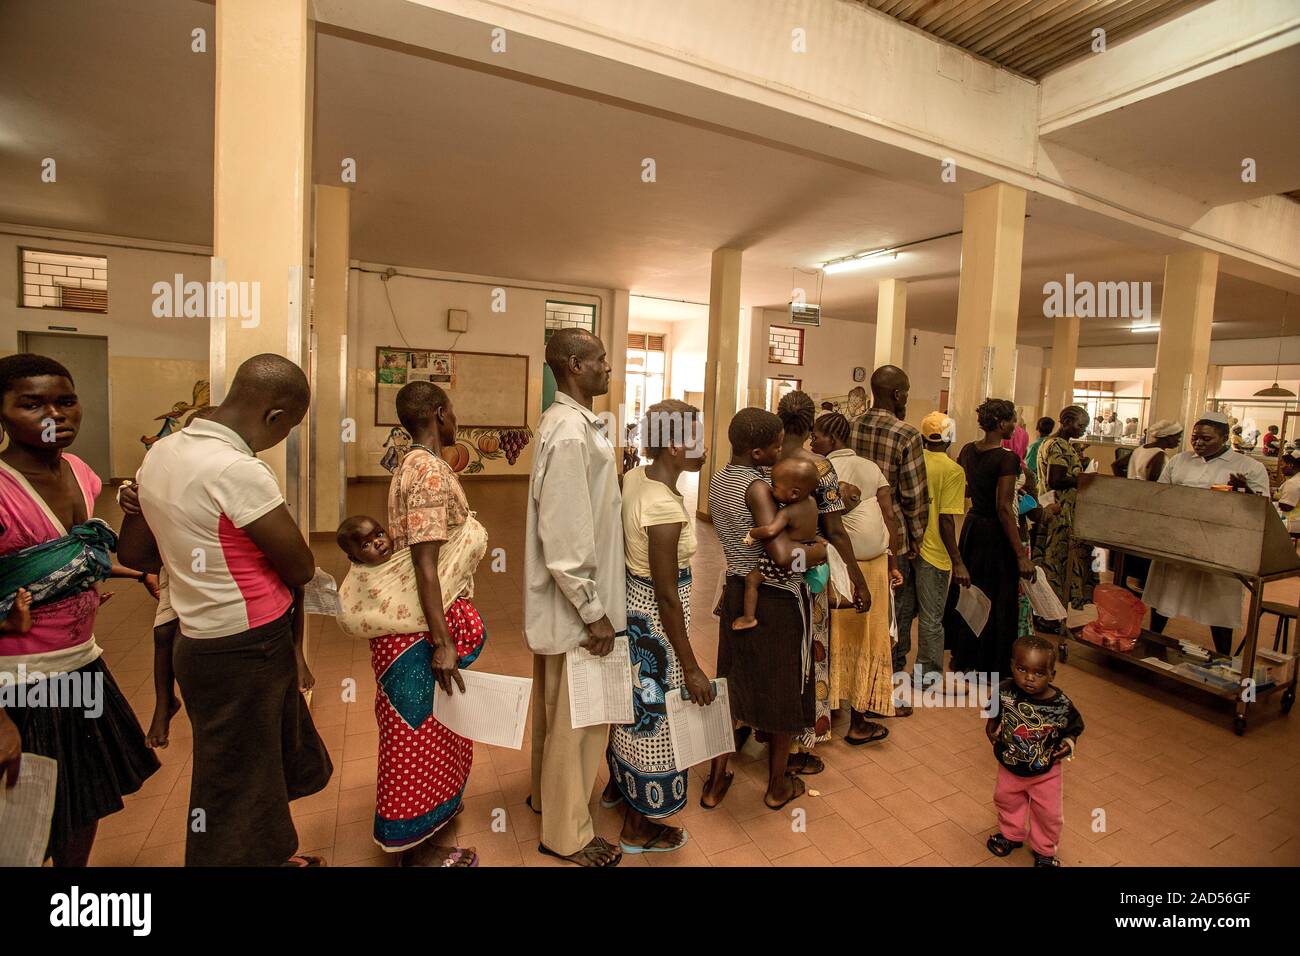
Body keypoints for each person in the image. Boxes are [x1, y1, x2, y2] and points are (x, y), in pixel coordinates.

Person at [119, 353, 332, 867]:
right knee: (233, 786)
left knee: (257, 767)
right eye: (290, 428)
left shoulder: (163, 453)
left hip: (202, 641)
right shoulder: (237, 470)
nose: (282, 439)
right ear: (276, 416)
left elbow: (137, 556)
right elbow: (300, 565)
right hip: (247, 645)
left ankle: (273, 857)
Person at [0, 353, 160, 866]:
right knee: (20, 818)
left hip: (78, 663)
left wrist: (136, 572)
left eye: (65, 401)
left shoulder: (80, 472)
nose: (55, 416)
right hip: (15, 681)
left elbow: (71, 559)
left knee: (81, 800)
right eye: (33, 404)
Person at [524, 328, 626, 867]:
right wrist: (595, 612)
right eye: (600, 359)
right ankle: (567, 835)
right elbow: (564, 538)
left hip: (573, 605)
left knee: (556, 709)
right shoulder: (569, 431)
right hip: (582, 608)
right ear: (573, 364)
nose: (608, 367)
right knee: (579, 721)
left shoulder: (575, 424)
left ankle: (547, 800)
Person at [377, 379, 489, 864]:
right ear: (440, 414)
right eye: (453, 410)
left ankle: (435, 813)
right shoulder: (429, 473)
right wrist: (441, 642)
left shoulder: (413, 464)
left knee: (437, 731)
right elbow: (426, 564)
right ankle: (416, 852)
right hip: (420, 630)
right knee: (416, 738)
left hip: (425, 620)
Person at [703, 407, 828, 810]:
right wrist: (817, 555)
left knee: (732, 683)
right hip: (774, 596)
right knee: (782, 688)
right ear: (758, 452)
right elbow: (778, 552)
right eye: (776, 445)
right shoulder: (758, 487)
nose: (782, 450)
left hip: (738, 589)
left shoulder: (719, 479)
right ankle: (776, 785)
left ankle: (715, 780)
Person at [606, 399, 711, 854]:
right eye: (696, 437)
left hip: (635, 613)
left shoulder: (634, 478)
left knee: (633, 710)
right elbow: (668, 594)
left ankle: (619, 788)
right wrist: (689, 666)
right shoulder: (664, 508)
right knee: (656, 718)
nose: (705, 447)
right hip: (657, 626)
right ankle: (638, 826)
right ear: (673, 444)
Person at [776, 390, 866, 749]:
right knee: (812, 652)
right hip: (808, 572)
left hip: (768, 567)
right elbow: (836, 530)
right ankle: (804, 735)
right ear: (812, 424)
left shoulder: (764, 459)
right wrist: (858, 580)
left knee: (776, 651)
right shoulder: (821, 467)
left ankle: (767, 728)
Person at [1143, 411, 1271, 656]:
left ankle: (1223, 655)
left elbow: (1262, 510)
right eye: (1195, 438)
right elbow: (1159, 495)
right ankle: (1154, 643)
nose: (1198, 443)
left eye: (1206, 439)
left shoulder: (1249, 467)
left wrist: (1244, 491)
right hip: (1178, 539)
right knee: (1166, 592)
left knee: (1219, 601)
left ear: (1224, 438)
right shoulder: (1180, 461)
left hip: (1219, 544)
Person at [812, 412, 897, 743]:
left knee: (834, 635)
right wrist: (894, 557)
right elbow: (888, 512)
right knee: (867, 638)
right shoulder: (871, 467)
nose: (812, 441)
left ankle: (832, 708)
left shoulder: (822, 468)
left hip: (840, 565)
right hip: (872, 564)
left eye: (817, 436)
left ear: (832, 440)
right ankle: (858, 713)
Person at [849, 365, 927, 711]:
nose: (907, 398)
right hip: (889, 540)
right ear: (897, 395)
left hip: (849, 535)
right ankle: (887, 694)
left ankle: (852, 691)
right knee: (894, 617)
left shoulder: (851, 428)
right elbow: (913, 496)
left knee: (856, 614)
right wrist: (918, 541)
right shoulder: (907, 434)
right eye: (906, 391)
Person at [948, 399, 1035, 677]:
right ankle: (992, 662)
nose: (1015, 426)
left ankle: (966, 655)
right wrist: (1020, 553)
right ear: (1001, 424)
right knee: (999, 595)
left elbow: (967, 489)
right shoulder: (1006, 458)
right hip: (995, 533)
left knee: (973, 593)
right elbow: (1003, 507)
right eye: (1012, 421)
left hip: (973, 528)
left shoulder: (967, 451)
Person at [985, 635, 1084, 868]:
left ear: (1052, 675)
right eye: (1021, 669)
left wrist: (1068, 743)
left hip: (1046, 772)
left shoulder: (1061, 704)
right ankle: (1011, 835)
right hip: (1010, 766)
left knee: (1048, 814)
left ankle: (1044, 850)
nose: (1029, 678)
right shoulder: (1004, 692)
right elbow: (993, 710)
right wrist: (991, 726)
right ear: (1011, 666)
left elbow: (1075, 727)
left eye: (1039, 673)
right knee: (1007, 801)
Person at [915, 413, 970, 687]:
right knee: (932, 617)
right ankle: (926, 675)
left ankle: (897, 662)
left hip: (910, 547)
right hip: (935, 552)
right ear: (950, 438)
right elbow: (946, 519)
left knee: (903, 613)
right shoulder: (953, 471)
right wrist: (957, 560)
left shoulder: (914, 462)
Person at [734, 457, 822, 629]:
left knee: (752, 580)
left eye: (774, 486)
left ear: (794, 493)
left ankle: (749, 617)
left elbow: (770, 530)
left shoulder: (788, 512)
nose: (771, 490)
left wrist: (752, 533)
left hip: (787, 559)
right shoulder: (812, 504)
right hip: (805, 552)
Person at [1034, 405, 1096, 610]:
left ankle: (1052, 611)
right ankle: (1050, 613)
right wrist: (1081, 480)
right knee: (1054, 565)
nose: (1083, 430)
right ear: (1067, 422)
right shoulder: (1057, 445)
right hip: (1058, 514)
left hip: (1060, 512)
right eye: (1081, 425)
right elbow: (1056, 479)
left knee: (1058, 564)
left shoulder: (1056, 444)